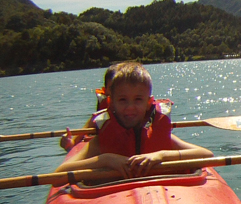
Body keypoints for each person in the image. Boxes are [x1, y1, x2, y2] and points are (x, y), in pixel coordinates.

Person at [56, 61, 212, 178]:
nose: (130, 107)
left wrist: (161, 155)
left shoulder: (161, 135)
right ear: (112, 102)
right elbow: (58, 175)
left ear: (149, 103)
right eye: (123, 100)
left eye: (138, 99)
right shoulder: (99, 143)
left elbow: (208, 156)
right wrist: (106, 160)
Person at [60, 62, 124, 151]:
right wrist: (69, 144)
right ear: (105, 91)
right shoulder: (99, 117)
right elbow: (76, 140)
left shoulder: (140, 112)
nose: (118, 92)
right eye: (112, 88)